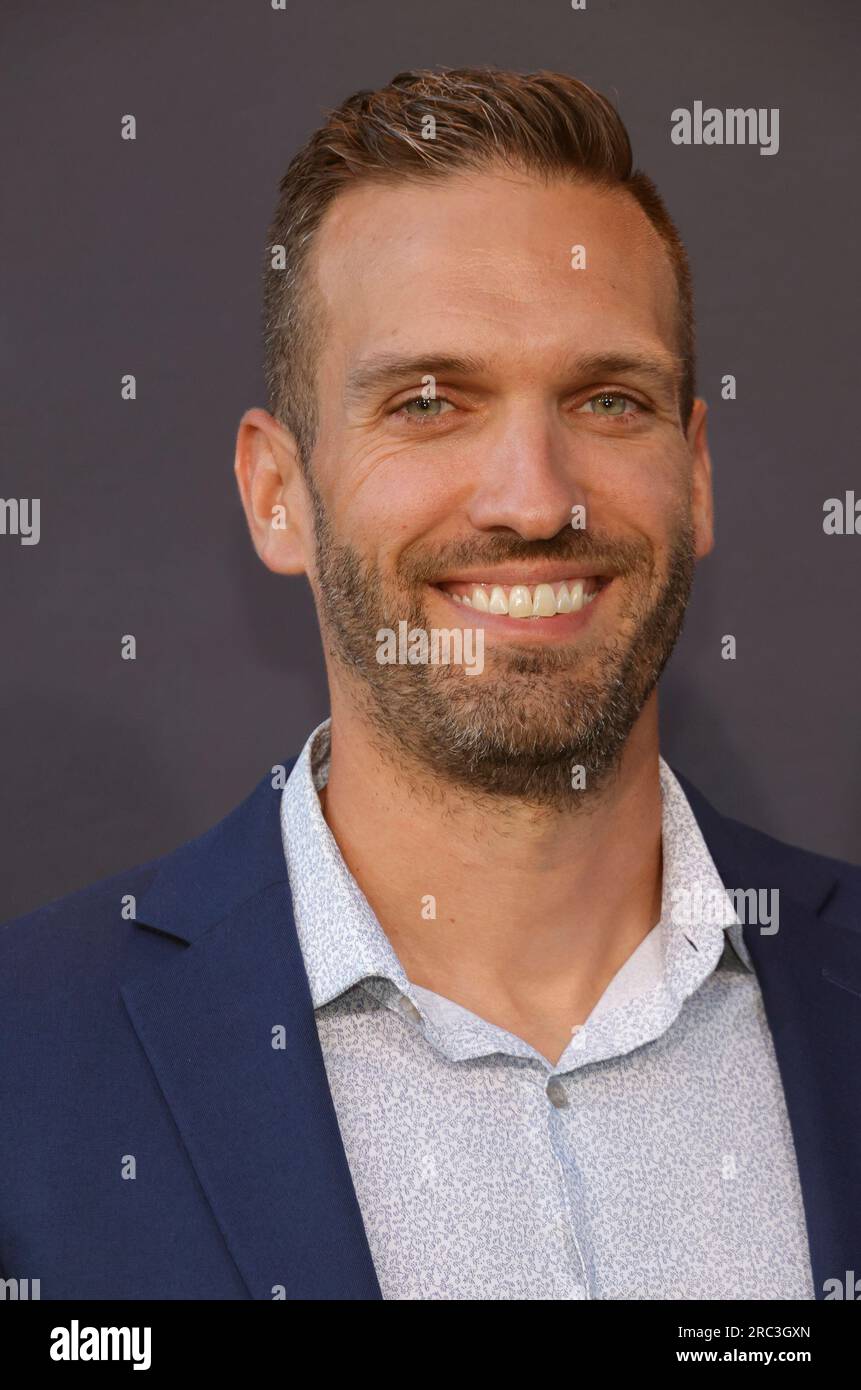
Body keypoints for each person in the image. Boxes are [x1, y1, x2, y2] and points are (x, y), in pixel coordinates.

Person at [2, 66, 859, 1302]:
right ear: (278, 494)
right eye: (428, 402)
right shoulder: (28, 1059)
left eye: (608, 400)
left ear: (697, 472)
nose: (534, 497)